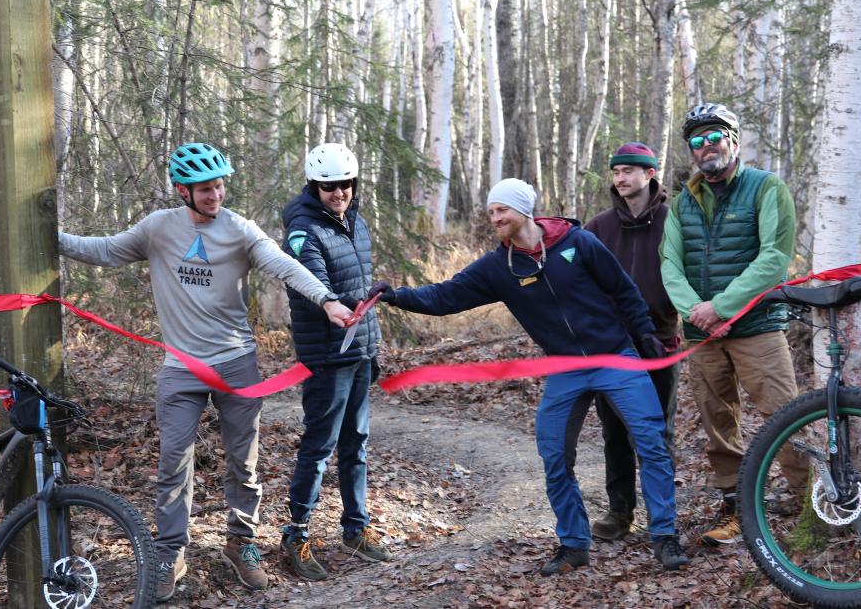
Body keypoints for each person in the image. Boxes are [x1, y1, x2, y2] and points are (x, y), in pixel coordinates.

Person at [58, 142, 353, 599]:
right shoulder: (158, 229)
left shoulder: (239, 229)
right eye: (205, 189)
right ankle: (171, 551)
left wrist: (327, 300)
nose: (215, 195)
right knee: (173, 462)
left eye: (219, 186)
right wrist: (50, 238)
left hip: (236, 362)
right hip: (181, 367)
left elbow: (283, 265)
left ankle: (241, 542)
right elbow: (107, 250)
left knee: (244, 462)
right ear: (183, 191)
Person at [370, 178, 689, 573]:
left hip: (615, 357)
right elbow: (446, 295)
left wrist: (643, 333)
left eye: (501, 210)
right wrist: (397, 296)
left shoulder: (579, 243)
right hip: (564, 368)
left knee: (652, 442)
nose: (495, 218)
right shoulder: (498, 267)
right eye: (490, 212)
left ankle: (665, 537)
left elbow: (623, 289)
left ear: (524, 210)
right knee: (554, 454)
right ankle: (573, 544)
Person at [660, 103, 805, 547]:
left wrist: (721, 307)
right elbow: (669, 264)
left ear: (733, 142)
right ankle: (736, 507)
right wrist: (696, 312)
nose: (706, 148)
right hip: (703, 337)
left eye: (714, 138)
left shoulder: (766, 188)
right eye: (697, 142)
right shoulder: (683, 201)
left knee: (785, 416)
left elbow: (775, 258)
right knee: (718, 424)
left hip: (757, 328)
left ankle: (808, 504)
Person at [278, 143, 390, 580]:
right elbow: (314, 285)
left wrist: (370, 334)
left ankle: (355, 528)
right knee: (320, 446)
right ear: (314, 186)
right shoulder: (303, 230)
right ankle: (297, 533)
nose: (339, 192)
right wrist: (346, 305)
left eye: (345, 184)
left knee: (356, 442)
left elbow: (357, 280)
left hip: (360, 350)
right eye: (329, 186)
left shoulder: (354, 221)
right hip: (328, 354)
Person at [579, 142, 682, 542]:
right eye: (616, 171)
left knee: (658, 431)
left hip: (661, 340)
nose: (620, 179)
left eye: (629, 171)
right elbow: (580, 282)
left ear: (650, 174)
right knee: (614, 432)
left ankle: (663, 516)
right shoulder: (599, 227)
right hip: (612, 345)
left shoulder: (674, 223)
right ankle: (620, 512)